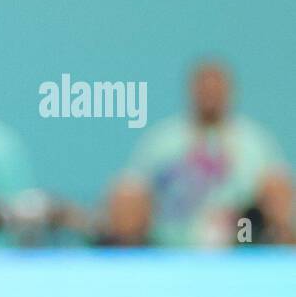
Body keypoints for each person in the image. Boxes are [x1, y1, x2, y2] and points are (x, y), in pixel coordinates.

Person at [106, 61, 291, 247]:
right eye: (204, 88)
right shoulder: (163, 140)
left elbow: (278, 195)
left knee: (278, 188)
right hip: (167, 244)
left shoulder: (254, 142)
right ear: (191, 91)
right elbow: (133, 187)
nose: (210, 95)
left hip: (241, 243)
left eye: (216, 89)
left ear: (230, 92)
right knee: (127, 194)